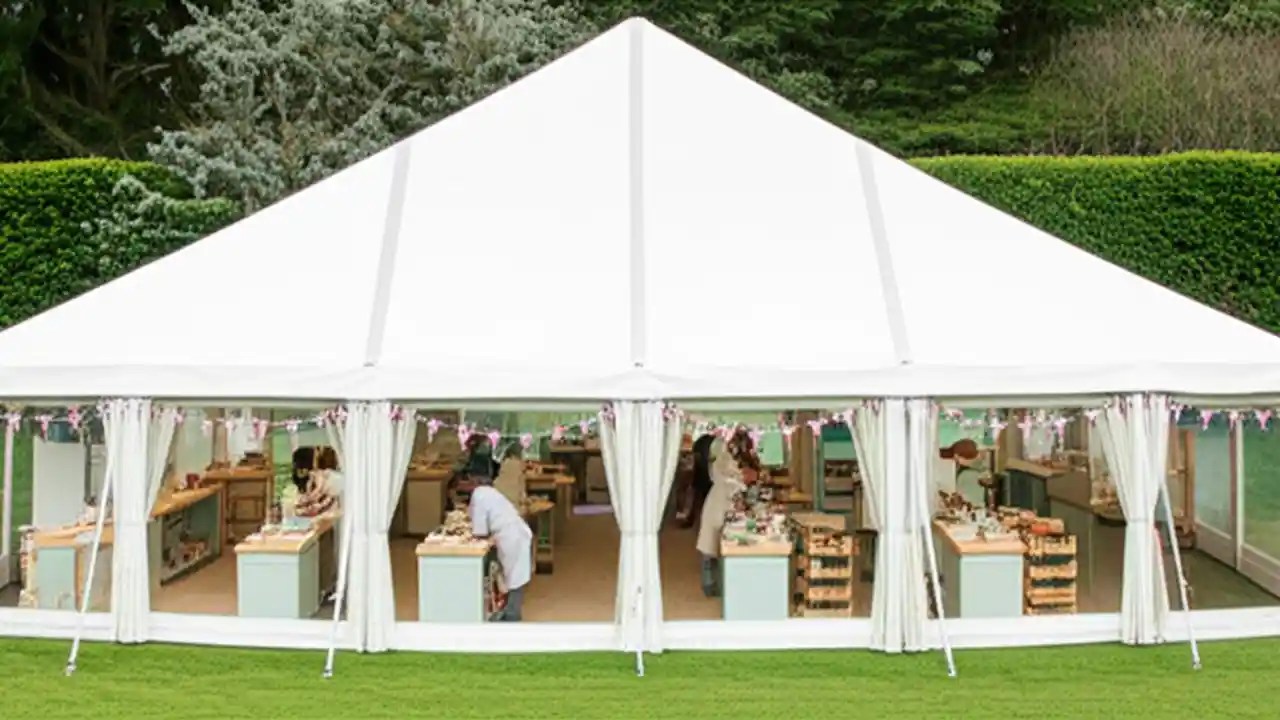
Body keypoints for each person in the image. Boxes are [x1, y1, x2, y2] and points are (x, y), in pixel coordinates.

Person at [468, 475, 534, 621]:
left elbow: (480, 531)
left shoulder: (478, 494)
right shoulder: (491, 492)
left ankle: (512, 616)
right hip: (516, 533)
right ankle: (509, 612)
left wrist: (472, 535)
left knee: (514, 579)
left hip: (511, 536)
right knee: (515, 577)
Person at [695, 437, 750, 597]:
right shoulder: (730, 483)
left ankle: (711, 585)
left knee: (709, 554)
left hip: (714, 514)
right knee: (709, 555)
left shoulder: (722, 477)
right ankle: (709, 586)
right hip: (715, 517)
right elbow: (735, 503)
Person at [681, 433, 716, 529]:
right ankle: (703, 523)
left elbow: (695, 454)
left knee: (696, 500)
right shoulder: (713, 442)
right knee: (704, 501)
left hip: (701, 474)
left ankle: (691, 521)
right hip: (707, 475)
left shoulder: (703, 440)